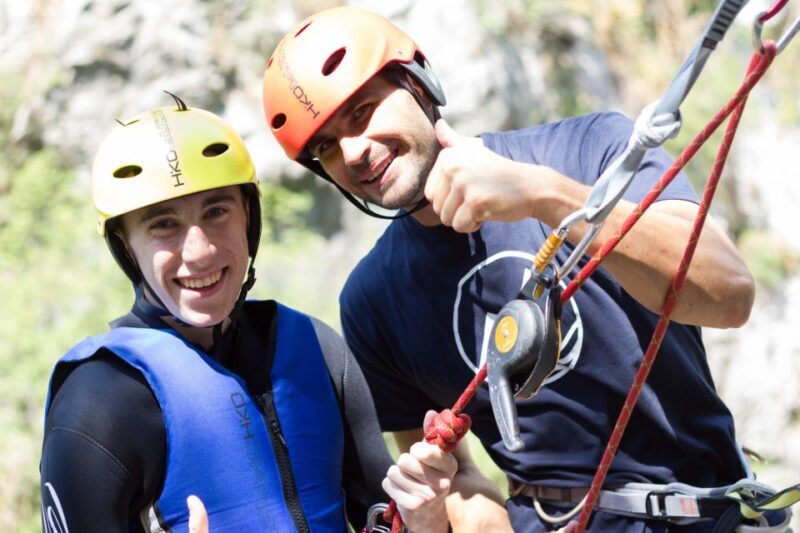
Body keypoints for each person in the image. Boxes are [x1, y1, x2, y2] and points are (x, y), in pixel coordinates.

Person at [261, 6, 764, 533]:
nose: (353, 152)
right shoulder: (372, 301)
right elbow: (455, 478)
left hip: (711, 509)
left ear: (417, 82)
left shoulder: (588, 149)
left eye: (362, 112)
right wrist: (438, 508)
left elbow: (729, 295)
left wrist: (544, 195)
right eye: (327, 146)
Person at [39, 96, 457, 533]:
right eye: (163, 224)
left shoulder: (314, 350)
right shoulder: (99, 400)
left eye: (216, 211)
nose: (199, 251)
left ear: (249, 217)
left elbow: (384, 518)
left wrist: (426, 522)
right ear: (125, 245)